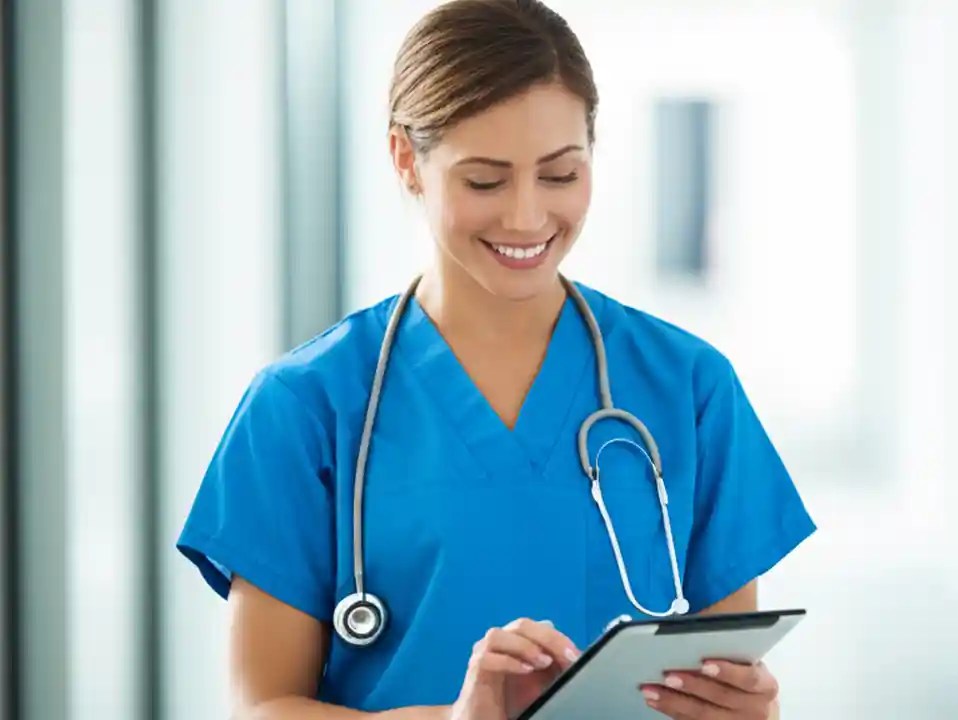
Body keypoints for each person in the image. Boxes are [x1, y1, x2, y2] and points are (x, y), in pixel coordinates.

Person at [175, 1, 816, 718]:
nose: (526, 218)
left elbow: (716, 676)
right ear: (405, 159)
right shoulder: (303, 407)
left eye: (560, 175)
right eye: (484, 180)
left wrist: (742, 711)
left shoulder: (689, 387)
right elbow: (263, 708)